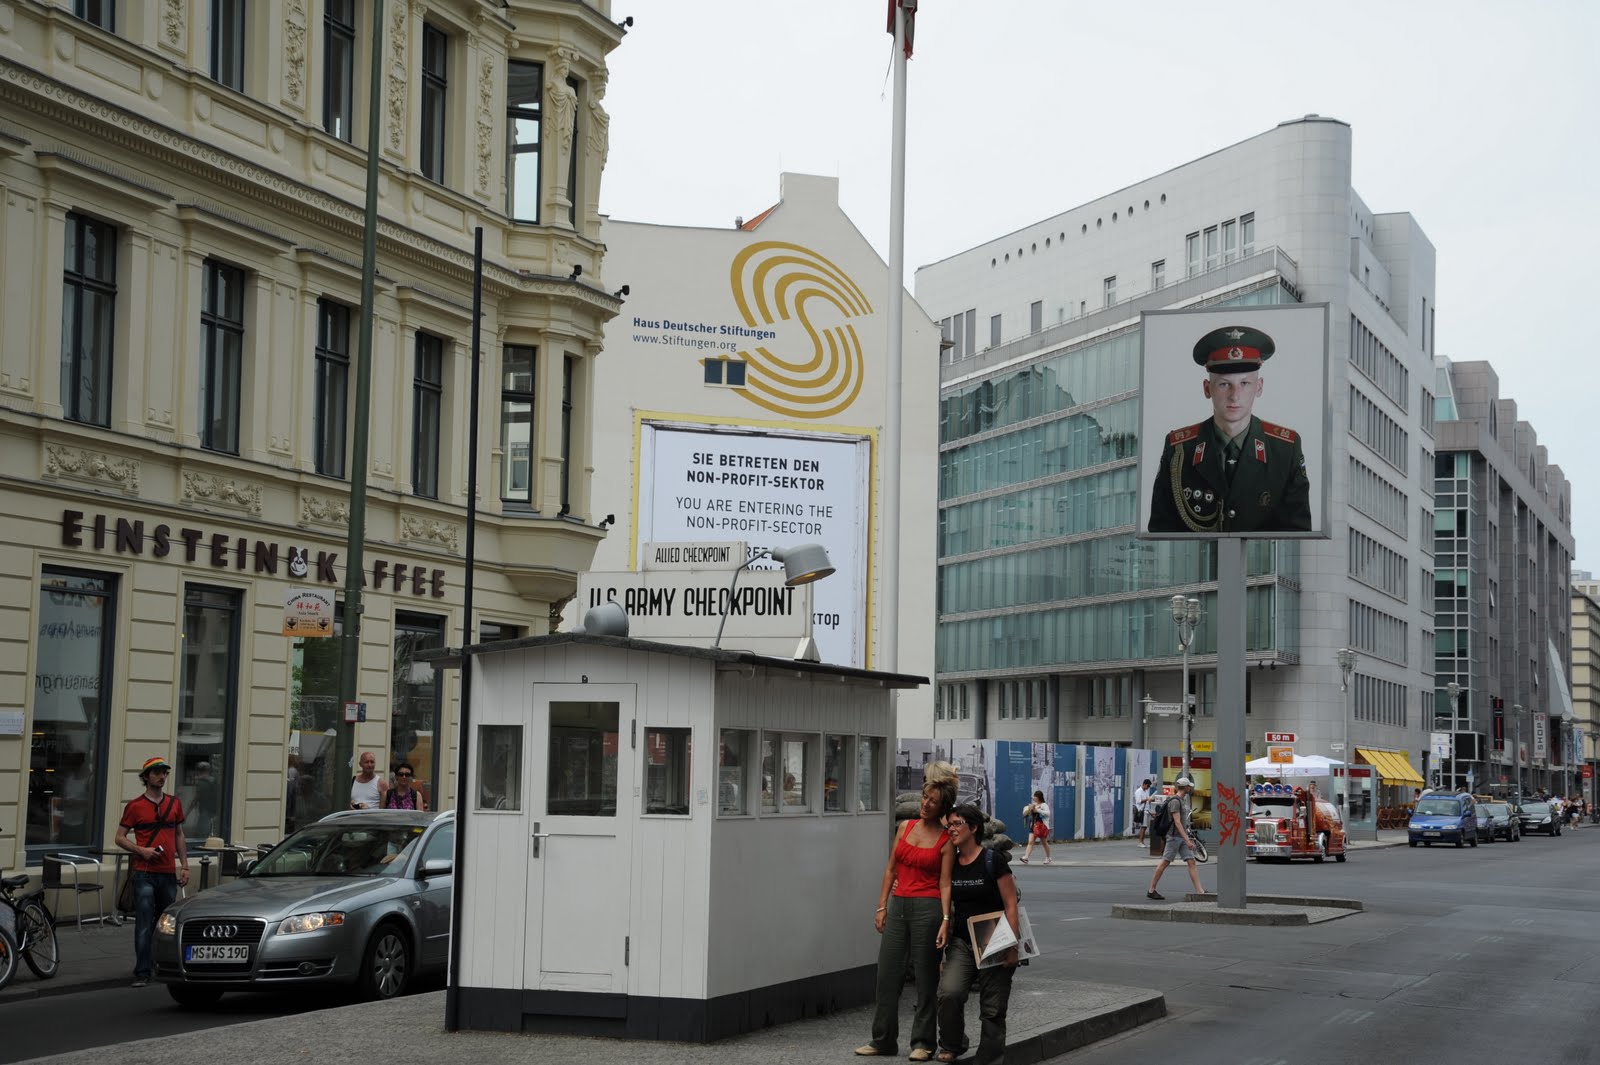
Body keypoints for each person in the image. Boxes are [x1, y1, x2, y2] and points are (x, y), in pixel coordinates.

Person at [1147, 325, 1311, 534]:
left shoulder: (1285, 449)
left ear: (1259, 387)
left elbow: (1298, 535)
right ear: (1208, 389)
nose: (1235, 395)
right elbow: (1161, 531)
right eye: (1224, 384)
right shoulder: (1179, 449)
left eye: (1244, 383)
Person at [857, 778, 956, 1060]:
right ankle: (883, 1040)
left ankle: (923, 1042)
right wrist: (881, 907)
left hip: (929, 908)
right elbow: (891, 870)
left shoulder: (946, 841)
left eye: (933, 801)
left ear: (942, 807)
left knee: (926, 977)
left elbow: (945, 883)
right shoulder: (905, 827)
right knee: (887, 975)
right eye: (924, 797)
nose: (925, 804)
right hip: (898, 906)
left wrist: (946, 919)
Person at [936, 805, 1020, 1065]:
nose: (951, 829)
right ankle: (953, 1043)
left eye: (957, 823)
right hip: (962, 940)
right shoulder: (953, 864)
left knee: (992, 1008)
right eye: (949, 824)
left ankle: (989, 1058)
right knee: (948, 994)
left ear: (973, 828)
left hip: (994, 938)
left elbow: (1011, 904)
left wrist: (1012, 946)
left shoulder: (992, 860)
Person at [115, 755, 189, 988]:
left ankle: (163, 966)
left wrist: (184, 865)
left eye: (165, 773)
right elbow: (119, 837)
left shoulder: (174, 803)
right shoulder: (135, 806)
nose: (162, 776)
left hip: (168, 872)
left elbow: (179, 835)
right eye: (157, 773)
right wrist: (141, 850)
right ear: (146, 776)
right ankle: (143, 972)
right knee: (145, 923)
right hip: (144, 871)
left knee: (165, 923)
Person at [1147, 776, 1204, 901]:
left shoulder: (1181, 800)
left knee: (1191, 862)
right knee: (1165, 862)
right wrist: (1188, 840)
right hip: (1174, 837)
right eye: (1189, 786)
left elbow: (1181, 823)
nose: (1190, 788)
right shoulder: (1175, 801)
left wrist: (1186, 838)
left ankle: (1200, 891)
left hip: (1181, 838)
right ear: (1186, 787)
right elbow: (1177, 823)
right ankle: (1151, 889)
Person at [1019, 790, 1051, 865]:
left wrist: (1037, 810)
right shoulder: (1033, 805)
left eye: (1035, 796)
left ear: (1039, 797)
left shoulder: (1044, 805)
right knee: (1030, 842)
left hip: (1041, 826)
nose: (1033, 798)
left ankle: (1048, 857)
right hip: (1033, 826)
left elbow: (1048, 814)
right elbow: (1026, 814)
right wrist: (1029, 809)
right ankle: (1026, 857)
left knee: (1044, 843)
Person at [1133, 778, 1153, 845]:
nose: (1148, 788)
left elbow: (1147, 799)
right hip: (1142, 810)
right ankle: (1140, 842)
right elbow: (1138, 801)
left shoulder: (1146, 791)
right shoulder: (1139, 791)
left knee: (1145, 827)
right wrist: (1147, 799)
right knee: (1143, 827)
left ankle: (1142, 842)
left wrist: (1149, 800)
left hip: (1146, 810)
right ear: (1144, 784)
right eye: (1148, 786)